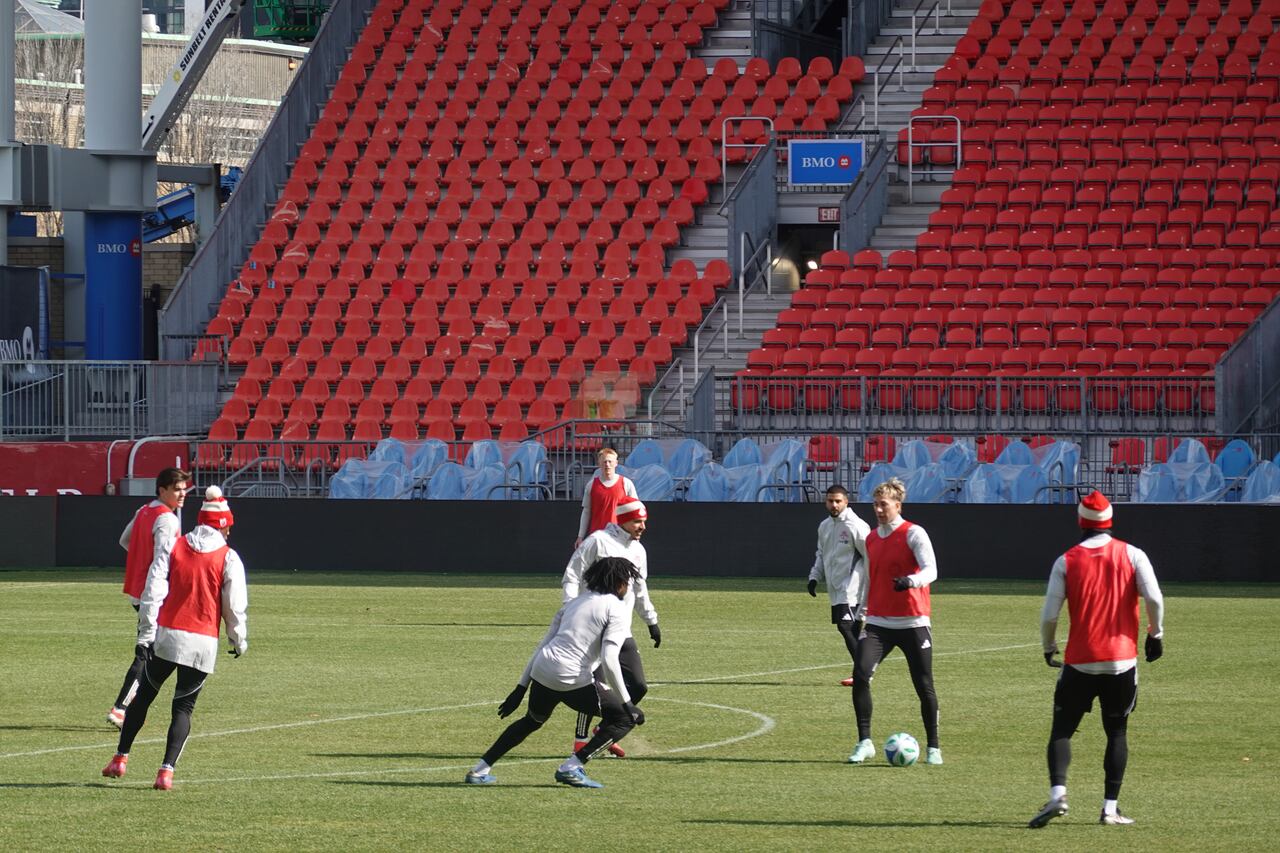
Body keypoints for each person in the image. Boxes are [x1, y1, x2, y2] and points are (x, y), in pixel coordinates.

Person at [1028, 491, 1165, 829]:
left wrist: (1048, 646)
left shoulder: (1066, 560)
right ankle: (1109, 809)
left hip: (1080, 660)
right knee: (1116, 732)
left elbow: (1049, 615)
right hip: (1121, 661)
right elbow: (1155, 598)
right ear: (1110, 520)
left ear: (1080, 521)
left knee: (1062, 729)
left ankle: (1058, 794)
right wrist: (1155, 634)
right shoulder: (1133, 554)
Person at [102, 486, 248, 791]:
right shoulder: (229, 557)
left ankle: (120, 757)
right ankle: (165, 772)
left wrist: (147, 627)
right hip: (202, 642)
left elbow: (154, 587)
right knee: (183, 708)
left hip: (168, 636)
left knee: (144, 696)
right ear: (224, 525)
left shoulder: (175, 546)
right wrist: (238, 639)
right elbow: (234, 606)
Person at [465, 557, 647, 789]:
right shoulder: (617, 609)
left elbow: (542, 646)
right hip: (571, 678)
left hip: (543, 670)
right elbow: (610, 659)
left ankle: (480, 770)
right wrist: (628, 703)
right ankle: (572, 767)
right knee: (624, 718)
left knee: (531, 721)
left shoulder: (573, 603)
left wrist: (520, 688)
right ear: (619, 581)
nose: (628, 587)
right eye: (628, 581)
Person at [847, 477, 942, 766]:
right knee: (861, 676)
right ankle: (865, 742)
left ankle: (934, 747)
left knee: (924, 685)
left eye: (883, 504)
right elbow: (871, 579)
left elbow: (931, 570)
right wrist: (861, 612)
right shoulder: (872, 539)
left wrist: (911, 581)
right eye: (875, 504)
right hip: (878, 622)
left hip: (913, 622)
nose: (877, 509)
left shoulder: (914, 533)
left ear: (897, 505)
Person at [562, 498, 660, 758]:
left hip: (621, 628)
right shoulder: (597, 541)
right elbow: (572, 575)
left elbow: (640, 588)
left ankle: (603, 730)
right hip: (593, 627)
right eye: (638, 521)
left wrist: (651, 621)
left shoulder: (639, 551)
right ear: (624, 520)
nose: (642, 527)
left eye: (644, 522)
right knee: (594, 686)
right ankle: (580, 741)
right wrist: (569, 608)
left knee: (638, 686)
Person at [107, 467, 190, 728]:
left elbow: (124, 540)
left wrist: (140, 559)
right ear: (162, 489)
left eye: (184, 488)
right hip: (152, 594)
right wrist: (153, 597)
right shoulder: (167, 519)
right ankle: (122, 708)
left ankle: (127, 706)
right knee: (147, 652)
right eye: (177, 489)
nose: (182, 493)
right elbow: (161, 564)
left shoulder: (144, 511)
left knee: (156, 650)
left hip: (138, 591)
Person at [806, 484, 870, 687]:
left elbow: (870, 556)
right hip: (835, 588)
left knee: (845, 626)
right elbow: (821, 553)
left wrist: (870, 584)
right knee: (853, 630)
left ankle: (864, 672)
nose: (834, 505)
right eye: (830, 501)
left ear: (846, 502)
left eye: (838, 501)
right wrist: (814, 577)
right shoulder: (824, 526)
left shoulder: (856, 525)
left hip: (853, 587)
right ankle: (861, 670)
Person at [575, 447, 638, 548]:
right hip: (597, 538)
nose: (607, 464)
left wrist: (634, 534)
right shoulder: (591, 485)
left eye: (610, 461)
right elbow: (586, 511)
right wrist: (580, 536)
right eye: (604, 461)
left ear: (616, 463)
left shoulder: (626, 483)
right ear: (599, 463)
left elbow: (635, 511)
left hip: (620, 538)